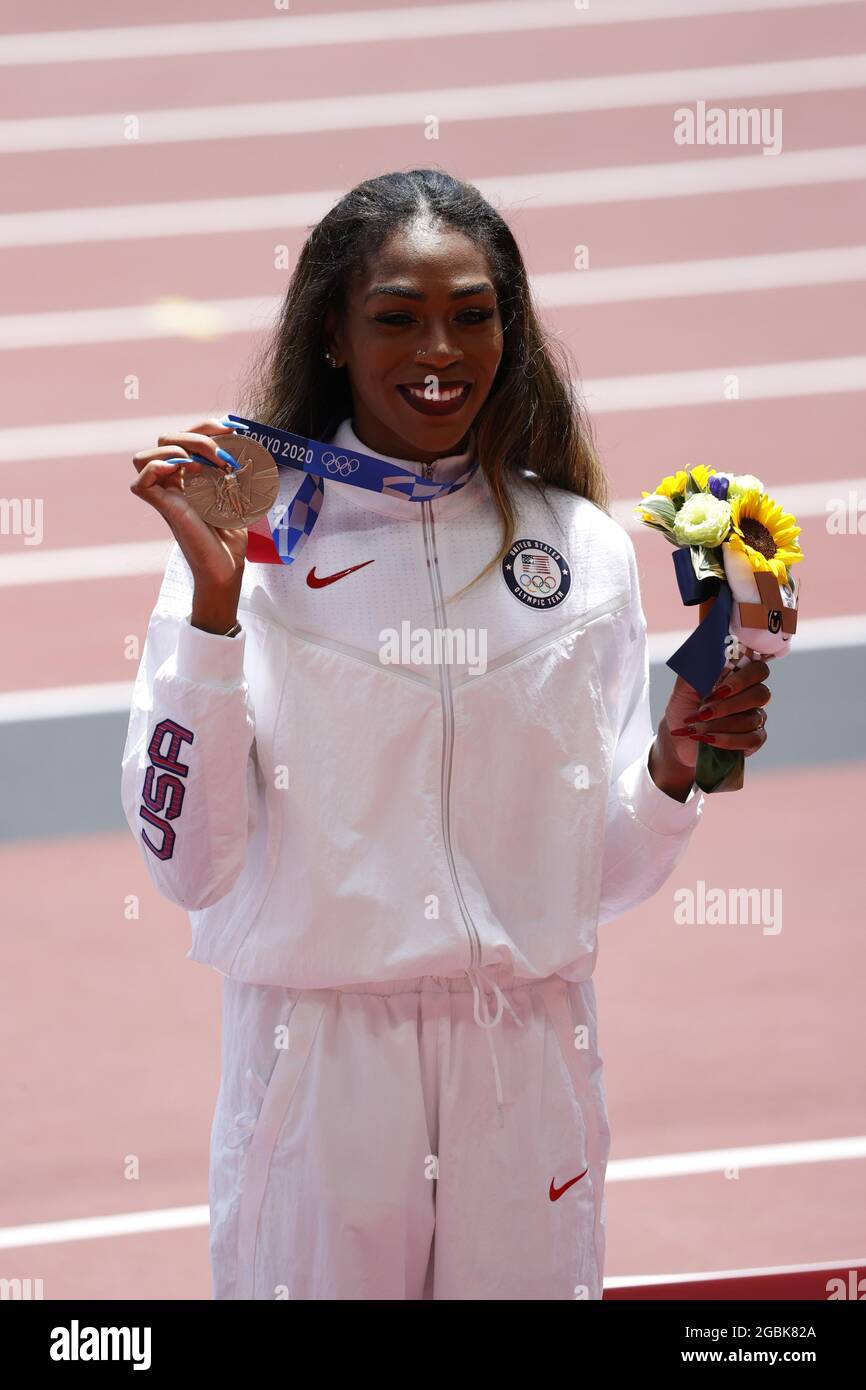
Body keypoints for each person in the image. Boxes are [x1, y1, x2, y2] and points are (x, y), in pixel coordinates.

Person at [121, 169, 772, 1301]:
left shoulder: (582, 555)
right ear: (332, 329)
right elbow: (186, 869)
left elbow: (596, 880)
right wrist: (213, 616)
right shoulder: (246, 555)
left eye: (472, 314)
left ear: (508, 329)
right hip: (319, 1070)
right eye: (396, 316)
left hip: (526, 1065)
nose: (440, 349)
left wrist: (671, 769)